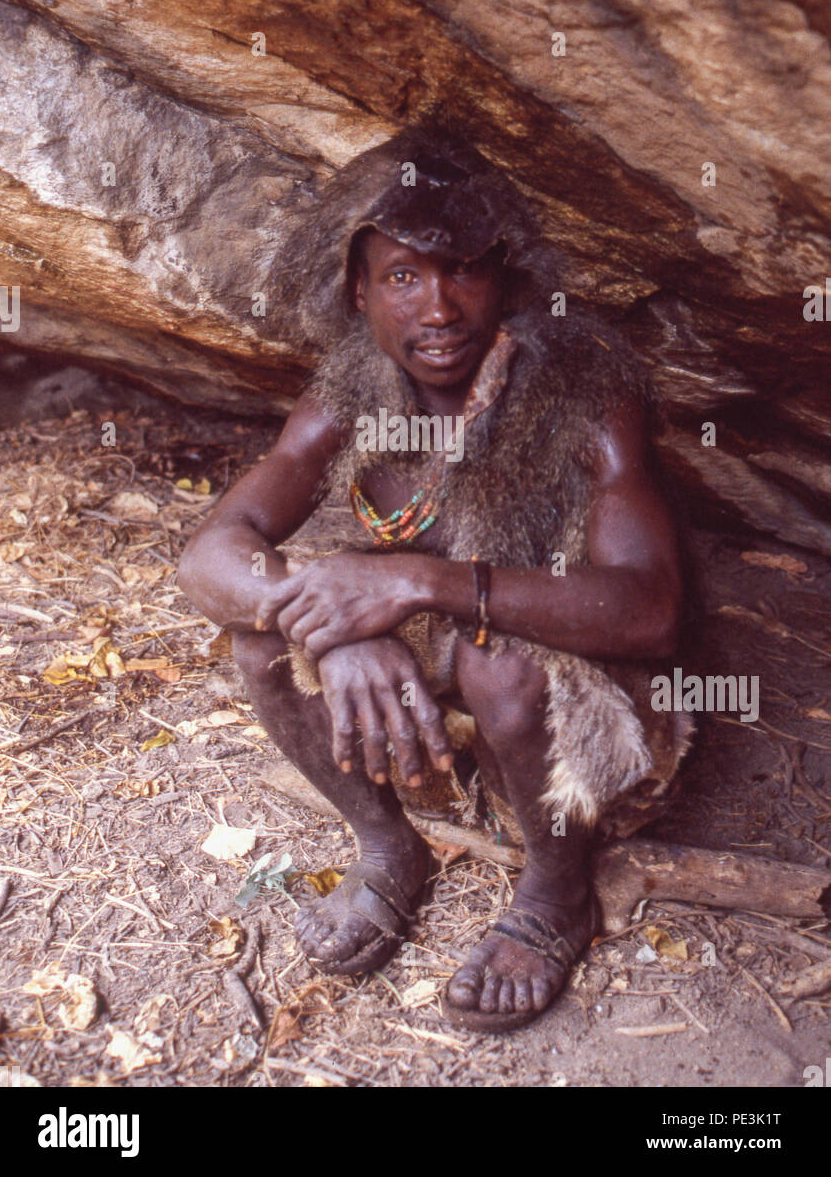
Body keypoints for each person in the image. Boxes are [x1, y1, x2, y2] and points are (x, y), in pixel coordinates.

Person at [177, 128, 688, 1033]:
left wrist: (418, 582)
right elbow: (214, 550)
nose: (440, 307)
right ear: (361, 294)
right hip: (447, 666)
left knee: (501, 666)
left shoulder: (584, 394)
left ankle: (555, 894)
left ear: (506, 280)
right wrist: (335, 630)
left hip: (586, 690)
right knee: (261, 638)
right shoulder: (349, 391)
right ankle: (385, 845)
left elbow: (648, 613)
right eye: (405, 277)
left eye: (462, 271)